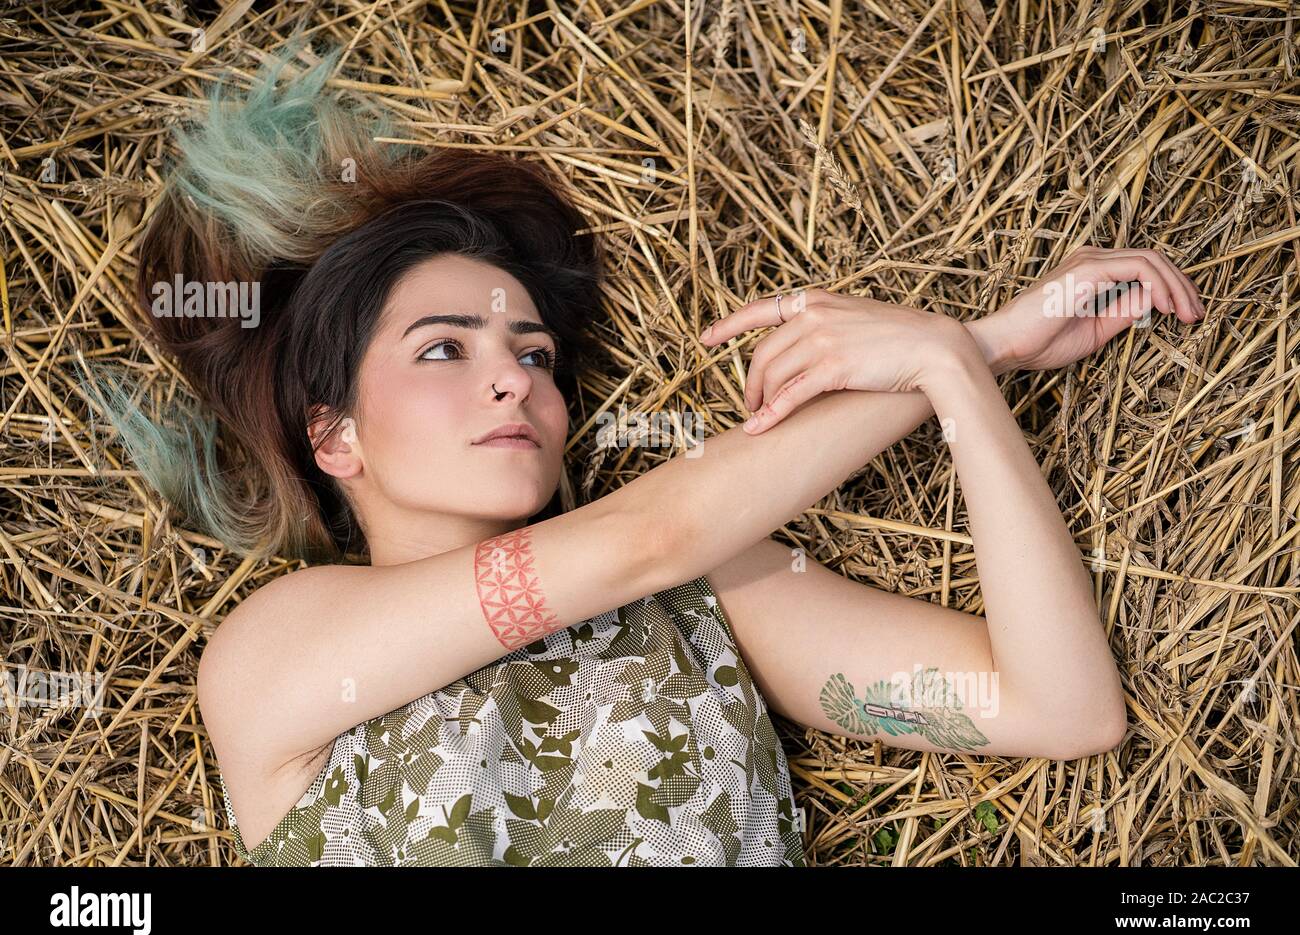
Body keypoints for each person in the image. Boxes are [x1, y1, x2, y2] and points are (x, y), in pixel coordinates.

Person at [89, 49, 1205, 866]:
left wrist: (961, 386)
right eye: (444, 348)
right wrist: (984, 339)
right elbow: (642, 535)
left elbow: (1062, 708)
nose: (512, 377)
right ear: (333, 436)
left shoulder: (710, 596)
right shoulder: (280, 646)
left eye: (534, 352)